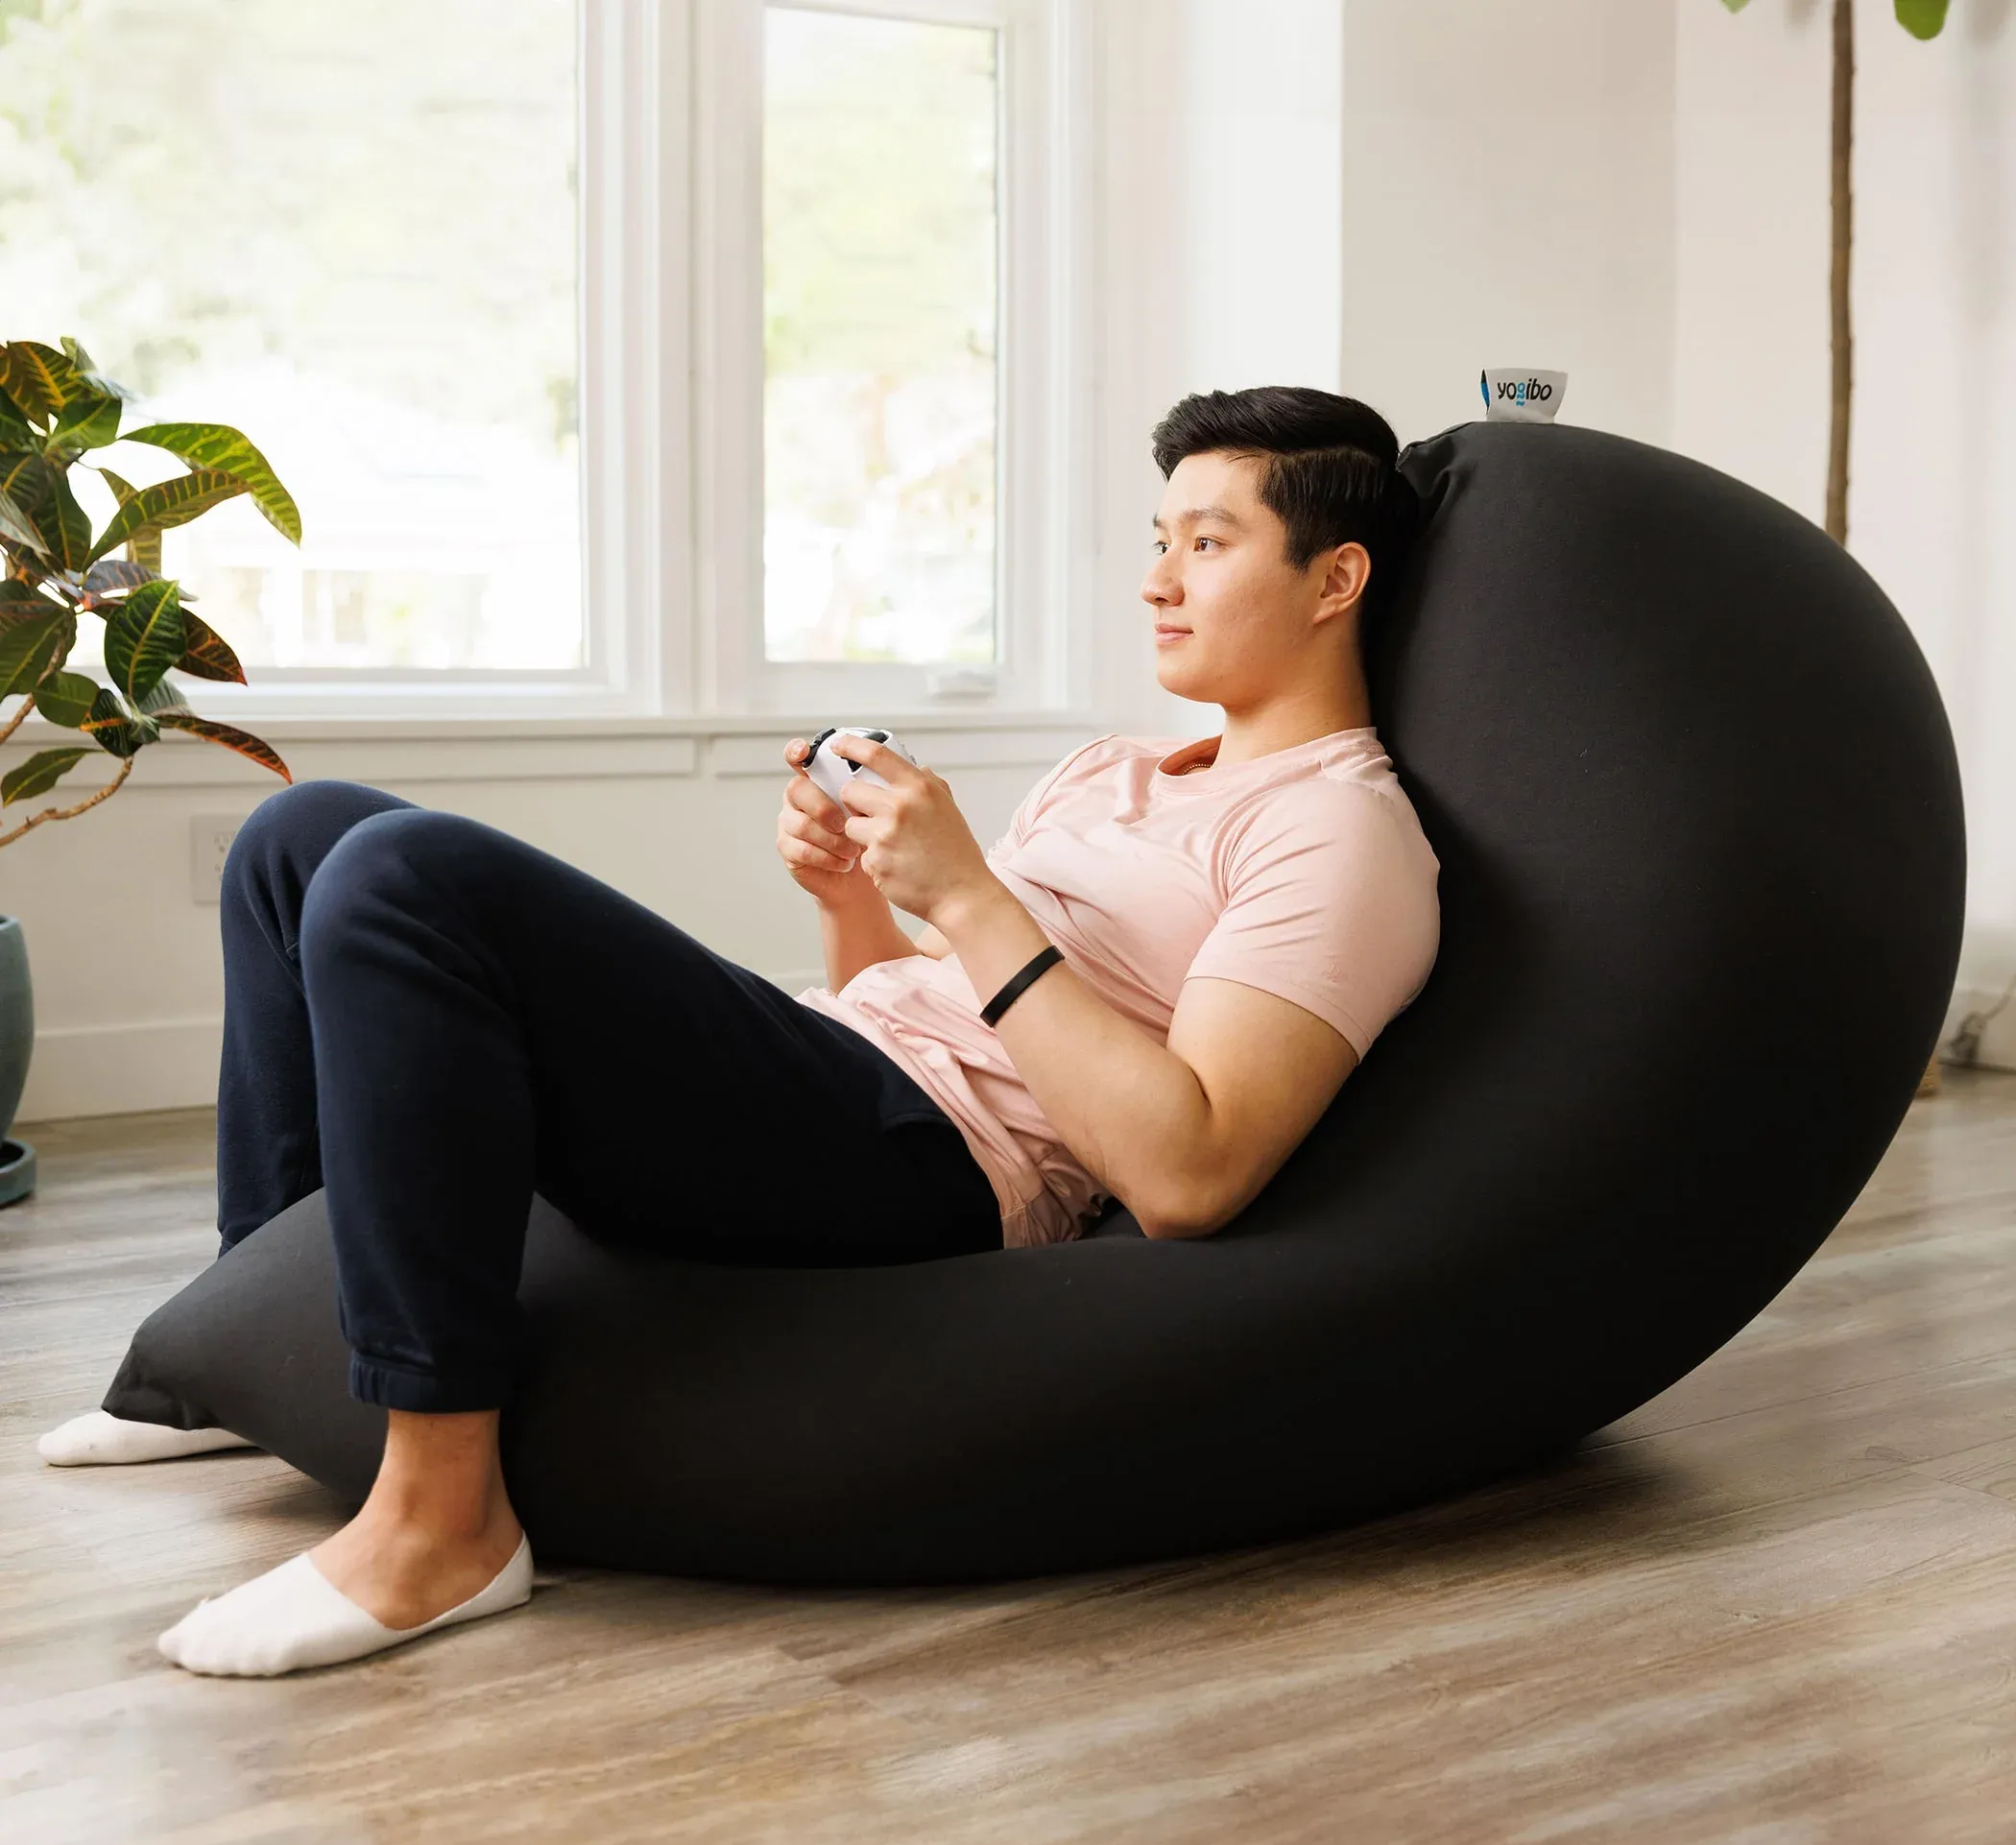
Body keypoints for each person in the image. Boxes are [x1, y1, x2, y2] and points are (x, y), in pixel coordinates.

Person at [38, 386, 1442, 1677]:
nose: (1156, 579)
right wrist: (860, 897)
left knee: (405, 883)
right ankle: (253, 1336)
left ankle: (443, 1523)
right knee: (300, 835)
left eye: (1207, 543)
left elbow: (1192, 1174)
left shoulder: (1338, 831)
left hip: (937, 1171)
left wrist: (970, 895)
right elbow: (927, 999)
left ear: (1336, 578)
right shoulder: (1116, 768)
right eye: (1158, 538)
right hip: (853, 1071)